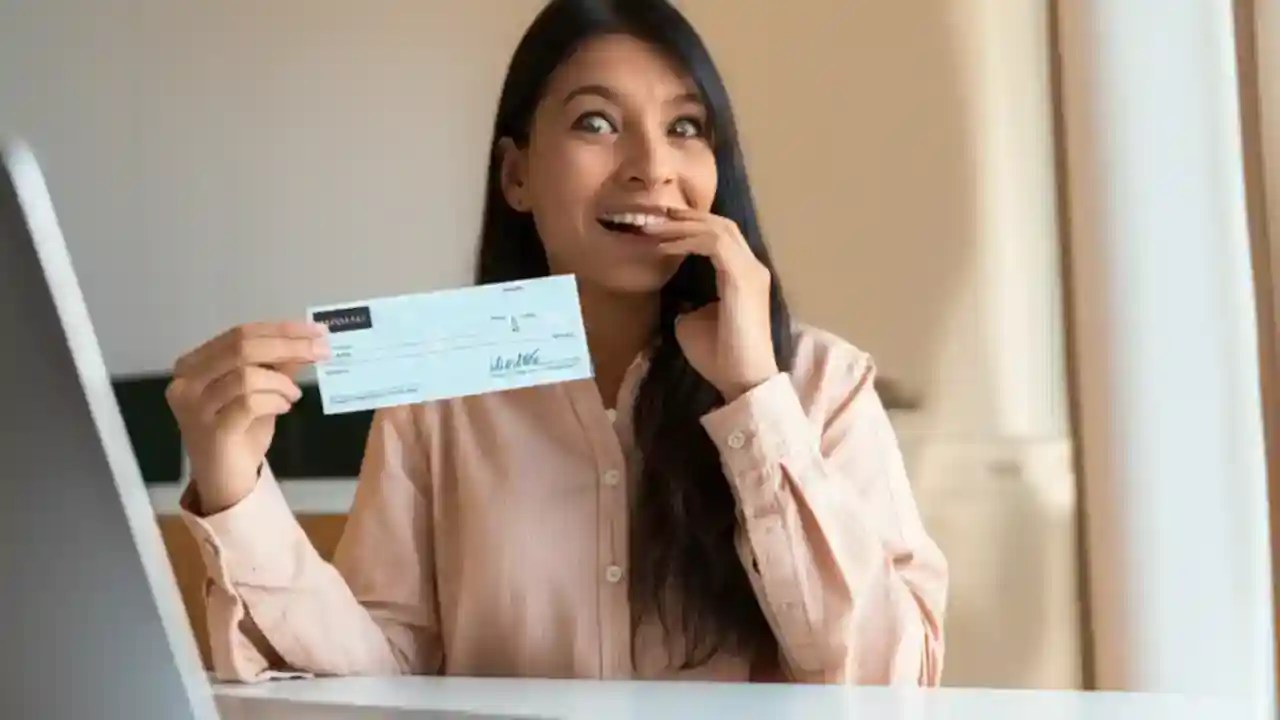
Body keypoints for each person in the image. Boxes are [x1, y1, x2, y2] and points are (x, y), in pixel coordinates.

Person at [166, 0, 948, 686]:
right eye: (596, 123)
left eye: (685, 127)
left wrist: (754, 402)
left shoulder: (821, 385)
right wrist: (236, 490)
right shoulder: (439, 399)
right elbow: (377, 678)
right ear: (516, 175)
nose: (652, 169)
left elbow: (886, 683)